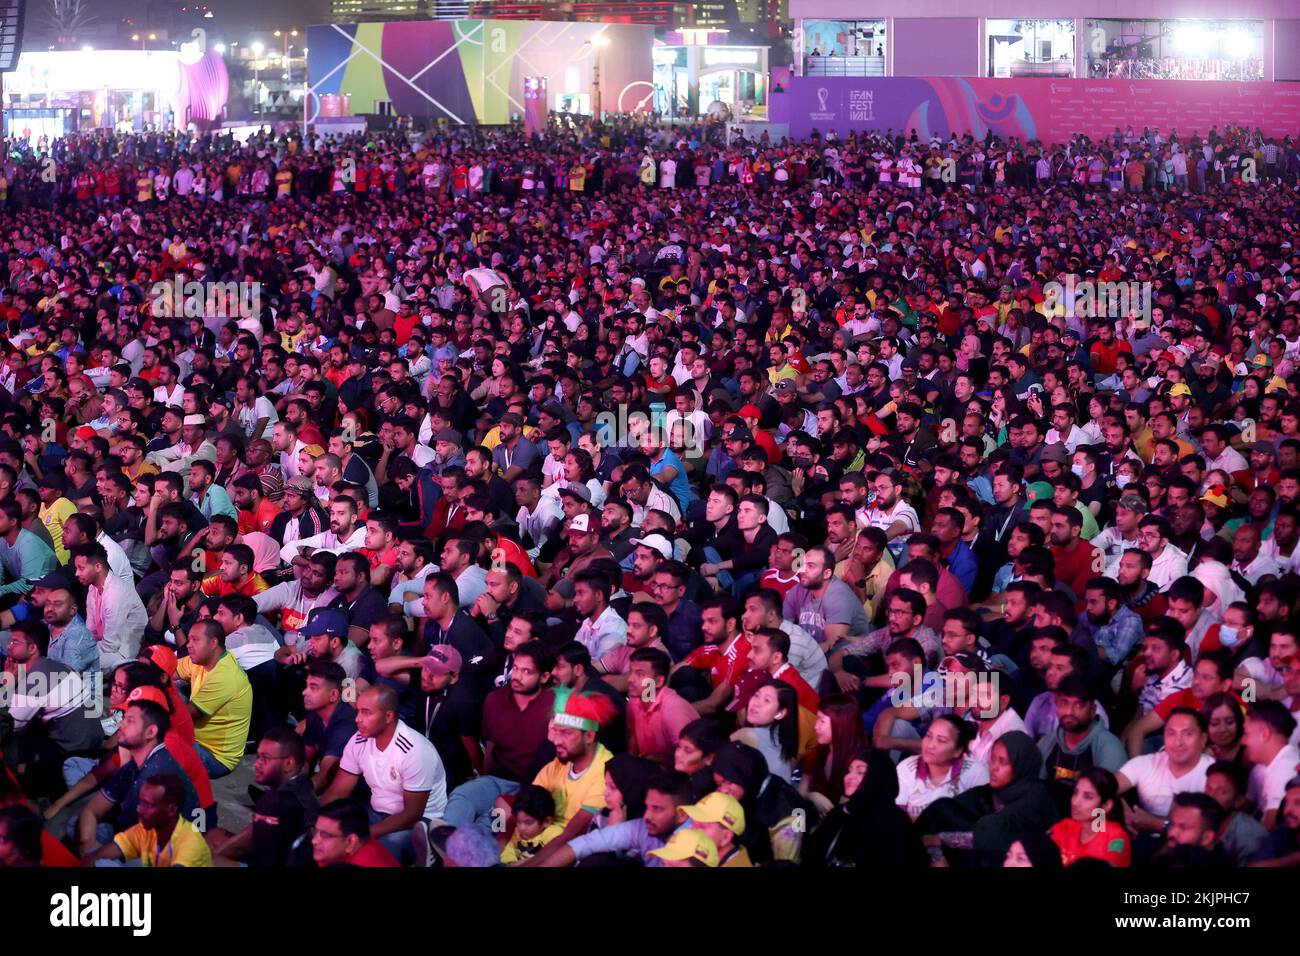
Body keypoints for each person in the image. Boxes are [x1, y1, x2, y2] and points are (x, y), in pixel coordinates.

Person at [322, 684, 448, 866]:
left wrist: (366, 834)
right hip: (376, 811)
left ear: (389, 716)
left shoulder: (414, 750)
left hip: (420, 820)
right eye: (358, 711)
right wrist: (317, 821)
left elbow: (412, 814)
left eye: (366, 713)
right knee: (329, 837)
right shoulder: (359, 740)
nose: (357, 719)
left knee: (375, 852)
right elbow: (338, 791)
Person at [917, 731, 1059, 866]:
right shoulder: (996, 789)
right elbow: (948, 808)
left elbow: (990, 834)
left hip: (1012, 858)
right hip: (979, 845)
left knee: (985, 851)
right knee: (942, 809)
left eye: (1002, 762)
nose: (993, 767)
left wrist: (938, 840)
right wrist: (937, 854)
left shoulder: (1036, 797)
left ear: (1019, 765)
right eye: (992, 759)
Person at [176, 619, 253, 780]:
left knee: (156, 739)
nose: (188, 644)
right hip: (196, 737)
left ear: (213, 643)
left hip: (214, 756)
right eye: (189, 639)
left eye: (195, 640)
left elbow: (183, 717)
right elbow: (167, 668)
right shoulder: (202, 659)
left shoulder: (225, 676)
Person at [90, 773, 212, 867]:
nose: (139, 809)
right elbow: (101, 855)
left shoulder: (190, 842)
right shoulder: (149, 827)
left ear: (171, 809)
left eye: (148, 805)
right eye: (140, 802)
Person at [1048, 766, 1132, 866]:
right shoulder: (1065, 826)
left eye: (1088, 797)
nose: (1075, 802)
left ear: (1106, 806)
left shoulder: (1116, 838)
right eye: (1075, 793)